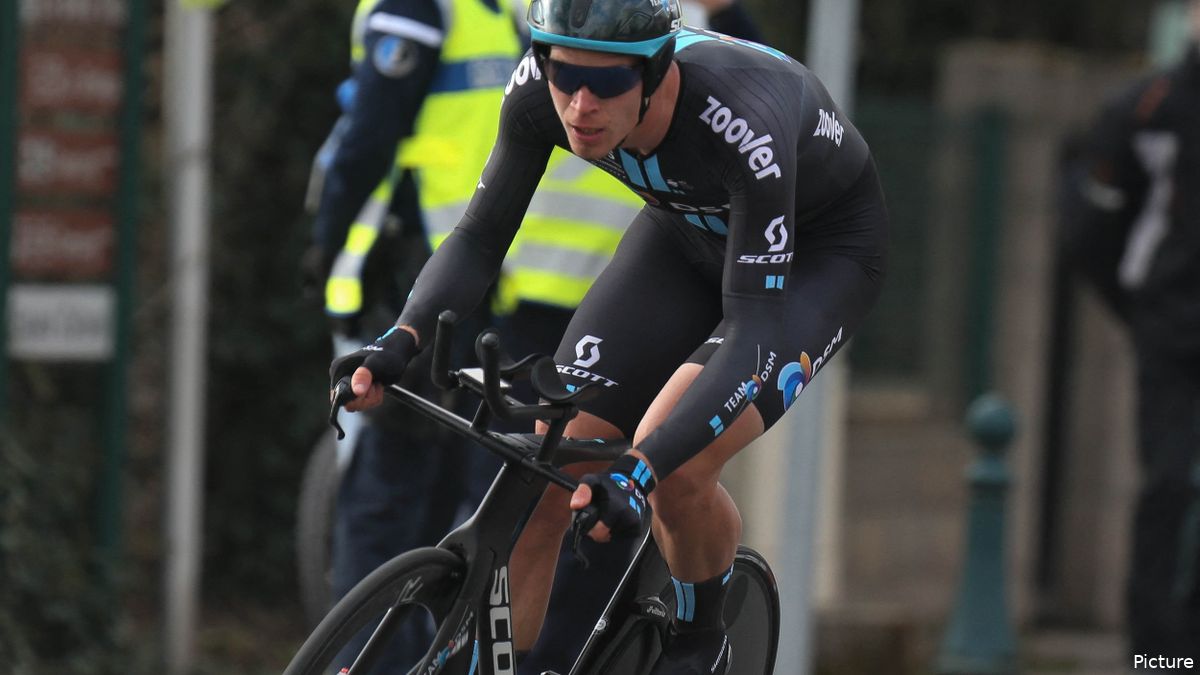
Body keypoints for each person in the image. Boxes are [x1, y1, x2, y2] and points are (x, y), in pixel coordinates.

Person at [330, 0, 888, 672]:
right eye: (564, 75)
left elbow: (751, 334)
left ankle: (699, 638)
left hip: (813, 260)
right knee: (545, 468)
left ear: (655, 73)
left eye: (608, 84)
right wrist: (398, 343)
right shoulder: (541, 91)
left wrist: (640, 467)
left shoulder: (744, 119)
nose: (581, 104)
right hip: (682, 235)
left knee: (675, 469)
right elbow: (478, 238)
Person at [1060, 0, 1200, 662]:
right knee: (1169, 482)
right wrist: (1141, 305)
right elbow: (1090, 227)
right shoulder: (1149, 106)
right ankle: (1155, 650)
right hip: (1170, 329)